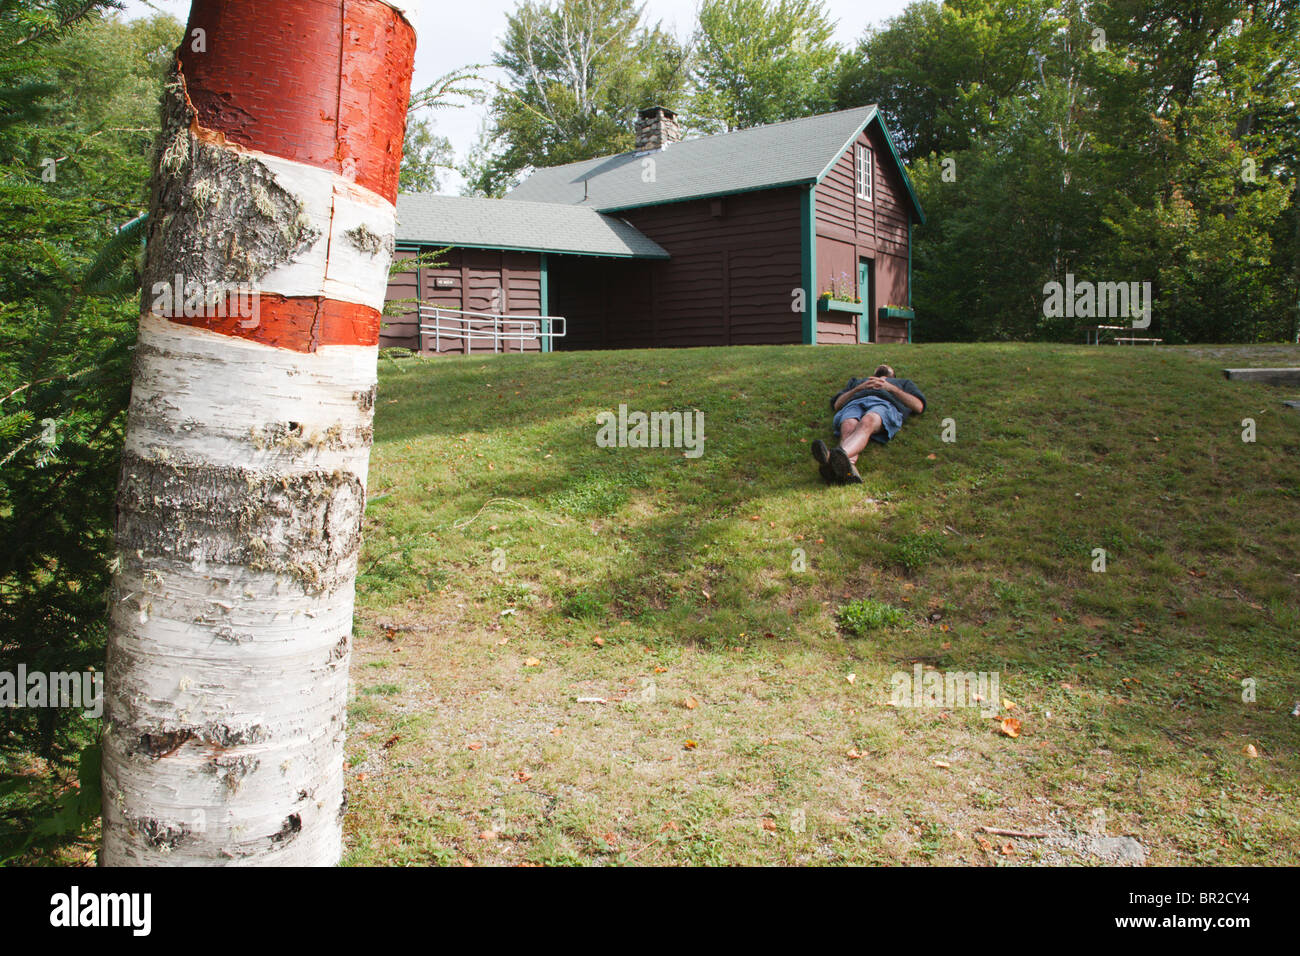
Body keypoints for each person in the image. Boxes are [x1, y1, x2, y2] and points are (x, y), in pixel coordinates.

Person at [811, 363, 926, 484]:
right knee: (848, 424)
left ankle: (830, 457)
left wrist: (892, 388)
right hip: (854, 403)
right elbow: (837, 404)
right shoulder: (858, 382)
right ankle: (848, 468)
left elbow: (918, 406)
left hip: (884, 404)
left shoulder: (902, 382)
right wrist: (858, 388)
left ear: (893, 374)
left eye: (887, 365)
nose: (883, 364)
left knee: (868, 420)